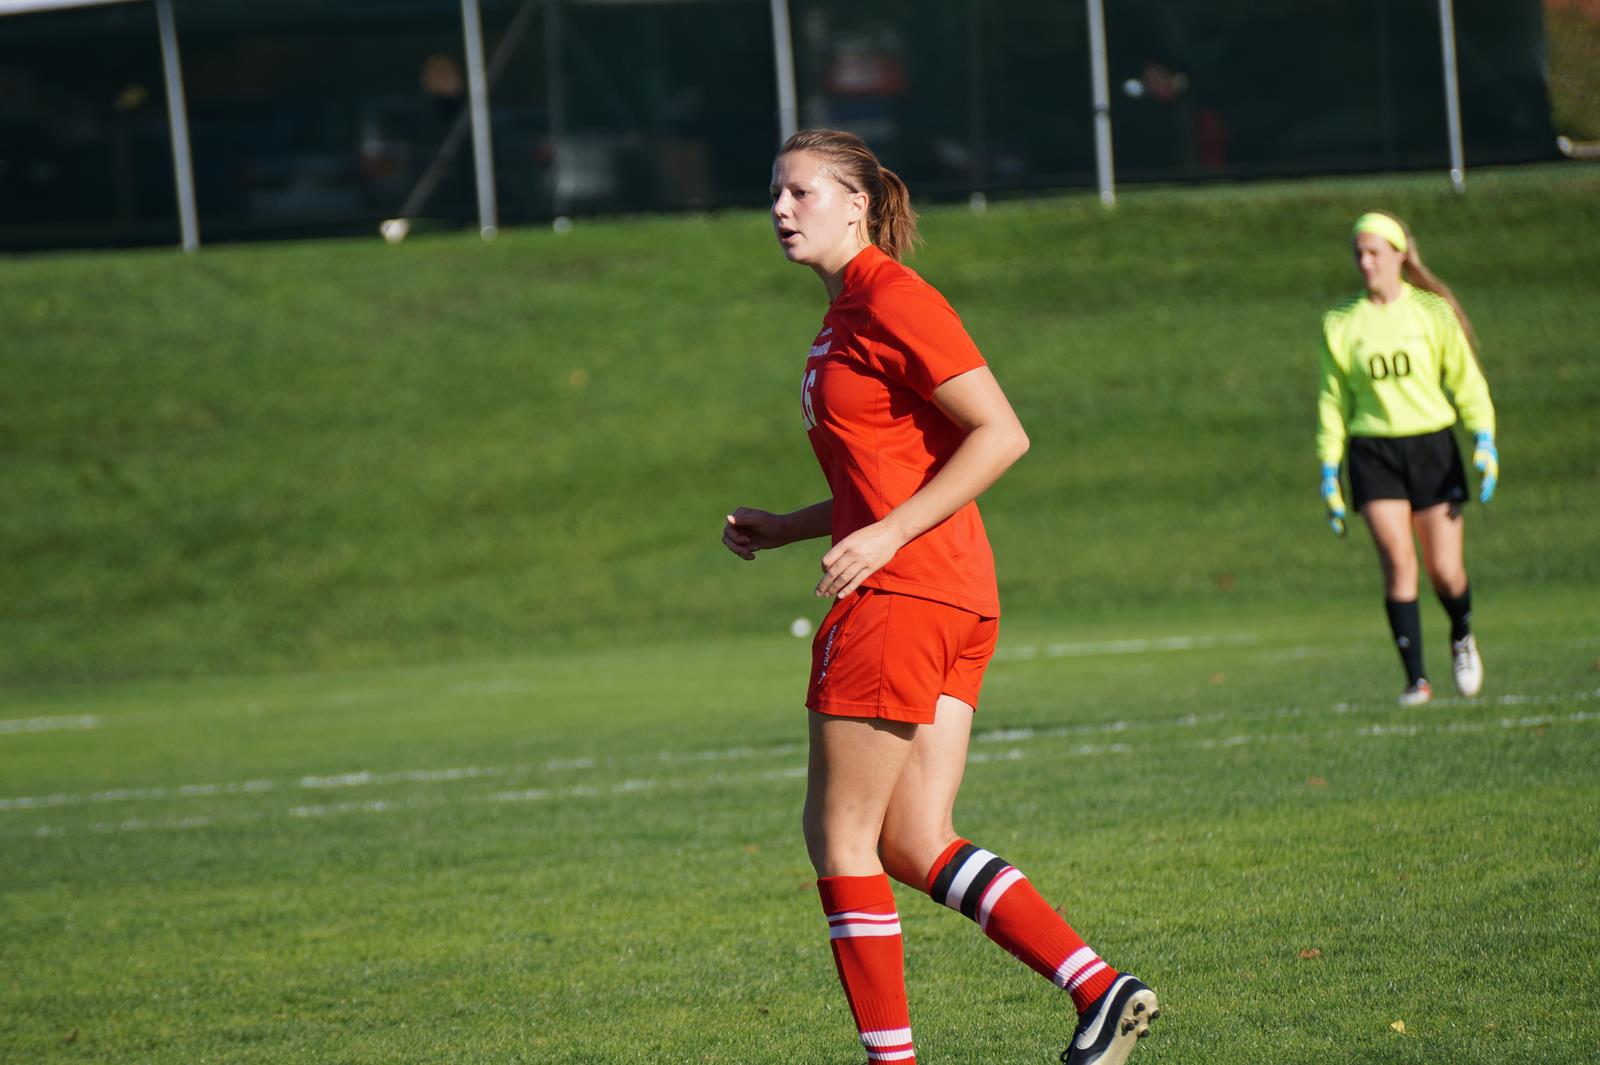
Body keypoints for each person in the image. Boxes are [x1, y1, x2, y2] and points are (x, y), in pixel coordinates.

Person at [722, 128, 1159, 1065]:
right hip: (947, 590)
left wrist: (883, 538)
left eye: (801, 192)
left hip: (904, 593)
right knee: (915, 840)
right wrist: (791, 525)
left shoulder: (891, 295)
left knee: (840, 838)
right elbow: (891, 472)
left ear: (857, 203)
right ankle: (1100, 988)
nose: (781, 209)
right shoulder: (845, 313)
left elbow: (1001, 433)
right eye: (774, 193)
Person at [1317, 211, 1499, 707]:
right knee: (1399, 562)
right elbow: (1333, 402)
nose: (1366, 262)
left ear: (1399, 254)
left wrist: (1483, 439)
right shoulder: (1341, 323)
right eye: (1359, 253)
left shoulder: (1432, 313)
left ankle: (1461, 634)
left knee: (1445, 570)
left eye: (1374, 252)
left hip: (1431, 447)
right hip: (1373, 451)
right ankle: (1416, 679)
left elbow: (1466, 381)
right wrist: (1329, 470)